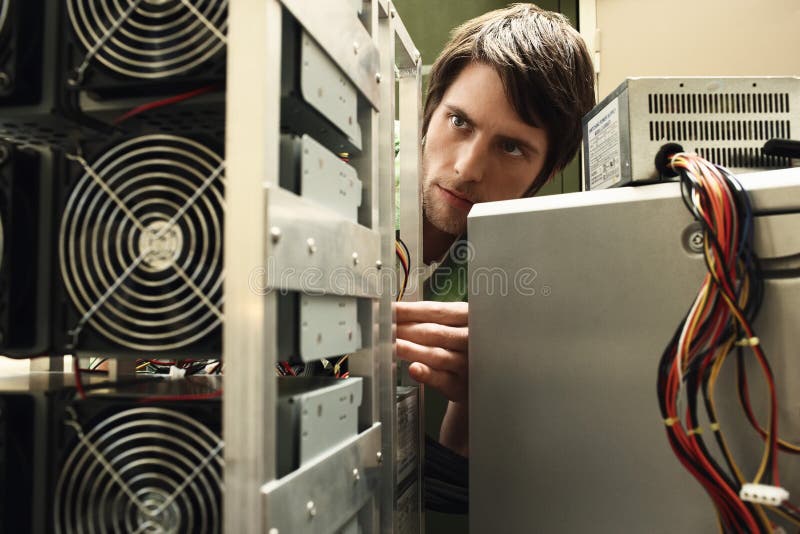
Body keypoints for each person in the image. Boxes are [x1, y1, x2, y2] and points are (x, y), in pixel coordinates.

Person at [395, 3, 596, 460]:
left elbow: (458, 462)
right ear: (428, 110)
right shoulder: (345, 158)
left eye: (510, 147)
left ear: (547, 172)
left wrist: (485, 389)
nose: (467, 169)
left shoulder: (524, 266)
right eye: (459, 121)